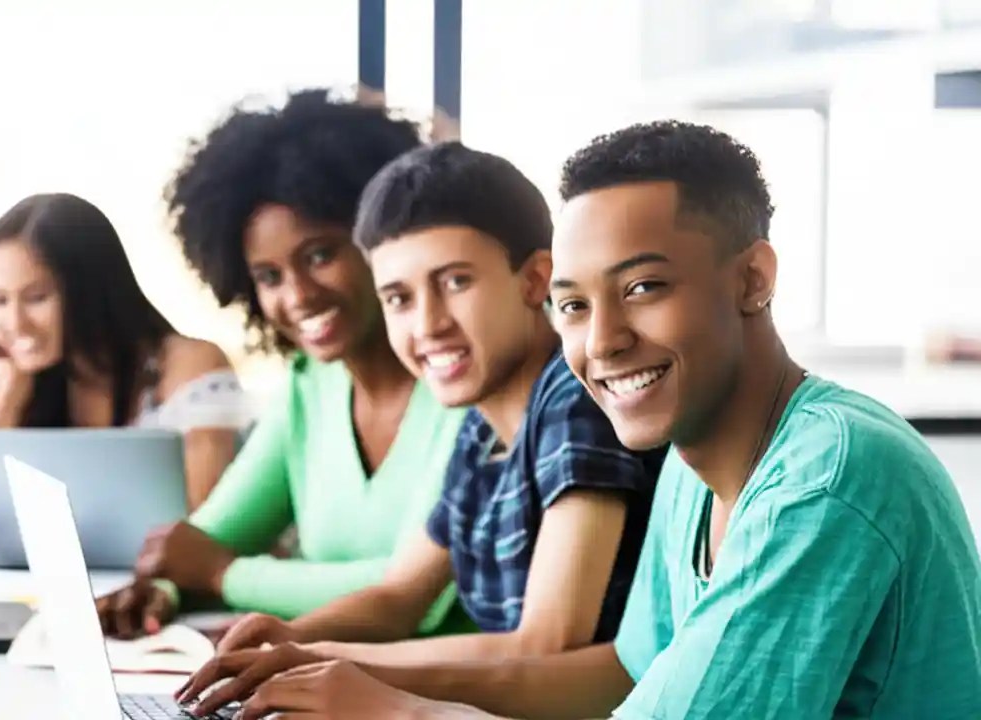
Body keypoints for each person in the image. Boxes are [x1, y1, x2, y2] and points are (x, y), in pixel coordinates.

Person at [184, 121, 981, 720]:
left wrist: (392, 708)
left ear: (752, 280)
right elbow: (623, 674)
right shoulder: (690, 464)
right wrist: (331, 665)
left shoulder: (827, 477)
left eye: (642, 289)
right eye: (573, 304)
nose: (599, 342)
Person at [178, 142, 665, 717]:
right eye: (399, 298)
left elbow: (547, 644)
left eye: (456, 282)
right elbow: (398, 599)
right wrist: (291, 642)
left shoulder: (573, 401)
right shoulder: (482, 431)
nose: (427, 324)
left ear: (535, 280)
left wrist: (333, 664)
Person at [95, 89, 468, 638]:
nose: (297, 296)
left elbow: (412, 591)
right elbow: (212, 537)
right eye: (269, 276)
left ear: (381, 238)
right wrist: (162, 588)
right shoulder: (309, 387)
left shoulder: (465, 380)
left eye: (320, 255)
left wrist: (224, 575)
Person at [0, 192, 247, 515]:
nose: (15, 323)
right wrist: (8, 391)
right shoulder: (38, 384)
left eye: (37, 297)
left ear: (90, 289)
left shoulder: (190, 365)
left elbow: (200, 520)